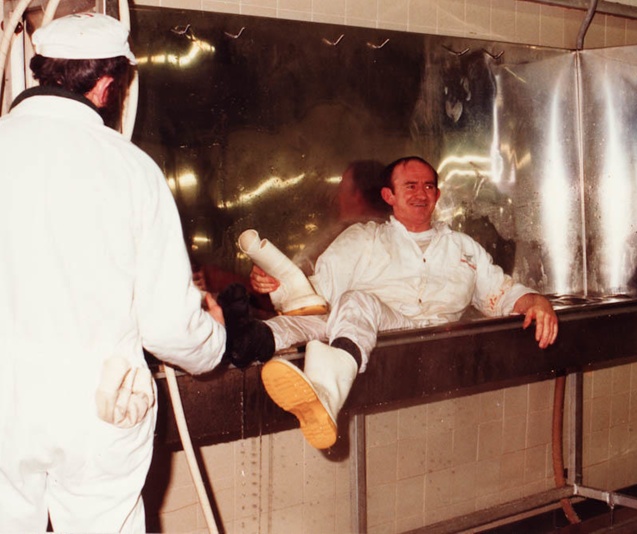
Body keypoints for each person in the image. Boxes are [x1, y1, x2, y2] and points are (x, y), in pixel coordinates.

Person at [0, 13, 226, 533]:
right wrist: (213, 338)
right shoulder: (131, 169)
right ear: (107, 84)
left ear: (43, 73)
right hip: (99, 408)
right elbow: (169, 326)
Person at [221, 156, 558, 450]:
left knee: (355, 303)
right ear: (389, 195)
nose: (421, 194)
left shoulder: (464, 248)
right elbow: (315, 296)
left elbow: (501, 292)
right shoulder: (362, 239)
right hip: (365, 329)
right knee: (313, 320)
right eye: (410, 186)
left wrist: (536, 301)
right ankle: (240, 343)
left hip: (425, 339)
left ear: (438, 195)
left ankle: (326, 390)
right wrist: (275, 285)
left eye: (428, 186)